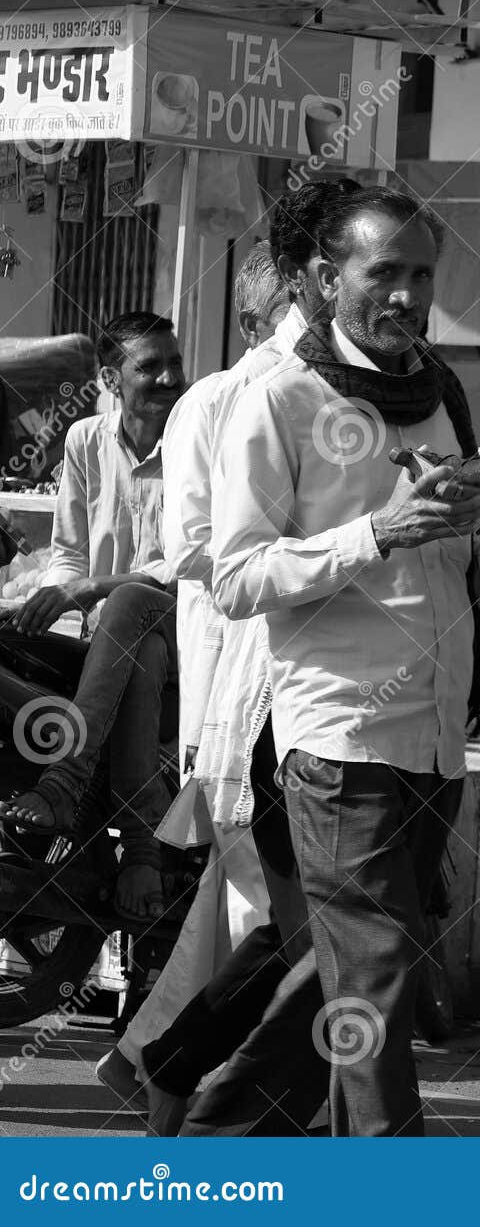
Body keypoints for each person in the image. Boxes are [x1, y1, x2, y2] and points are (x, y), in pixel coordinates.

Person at [208, 185, 480, 1137]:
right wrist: (371, 534)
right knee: (380, 972)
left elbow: (449, 565)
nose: (405, 294)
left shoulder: (439, 393)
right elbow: (233, 579)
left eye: (421, 274)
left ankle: (217, 1137)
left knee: (349, 972)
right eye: (382, 271)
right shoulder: (278, 400)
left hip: (435, 739)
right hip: (340, 733)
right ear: (322, 277)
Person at [99, 203, 358, 1130]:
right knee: (311, 934)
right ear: (286, 299)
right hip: (261, 705)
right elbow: (205, 568)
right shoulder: (226, 402)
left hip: (352, 705)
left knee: (287, 930)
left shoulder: (379, 389)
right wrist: (349, 544)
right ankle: (191, 1082)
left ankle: (170, 1067)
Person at [0, 312, 184, 922]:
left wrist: (90, 589)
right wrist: (53, 596)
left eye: (172, 363)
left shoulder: (195, 443)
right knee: (124, 645)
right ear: (110, 377)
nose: (167, 378)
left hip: (188, 625)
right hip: (118, 642)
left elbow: (191, 566)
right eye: (148, 366)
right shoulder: (83, 439)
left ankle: (63, 784)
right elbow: (68, 554)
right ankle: (140, 853)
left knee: (132, 604)